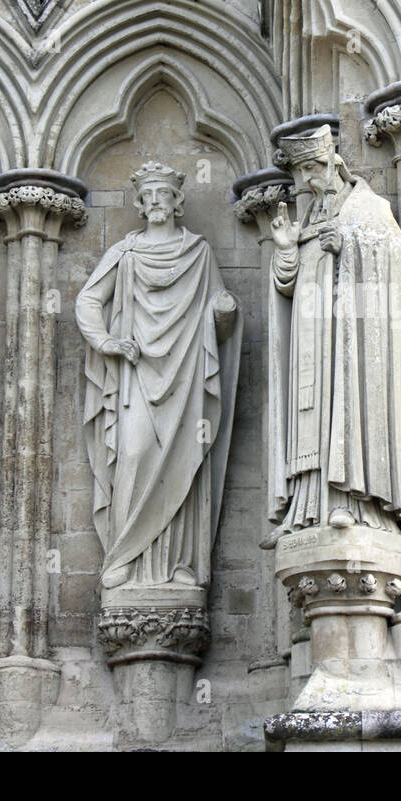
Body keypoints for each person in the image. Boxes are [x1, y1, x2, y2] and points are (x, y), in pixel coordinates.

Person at [76, 162, 240, 590]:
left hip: (185, 377)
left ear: (177, 201)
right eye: (147, 197)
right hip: (136, 379)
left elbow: (219, 318)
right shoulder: (126, 253)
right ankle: (124, 556)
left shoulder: (199, 253)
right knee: (132, 455)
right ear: (139, 203)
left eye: (162, 195)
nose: (155, 203)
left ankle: (179, 564)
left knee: (185, 460)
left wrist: (222, 313)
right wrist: (107, 341)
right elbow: (89, 301)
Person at [262, 125, 401, 548]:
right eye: (302, 173)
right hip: (309, 335)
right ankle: (306, 509)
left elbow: (392, 258)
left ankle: (352, 501)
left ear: (334, 163)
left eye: (313, 169)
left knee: (344, 406)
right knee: (309, 414)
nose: (308, 181)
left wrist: (348, 244)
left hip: (349, 337)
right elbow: (287, 284)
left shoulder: (369, 208)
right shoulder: (308, 216)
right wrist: (288, 249)